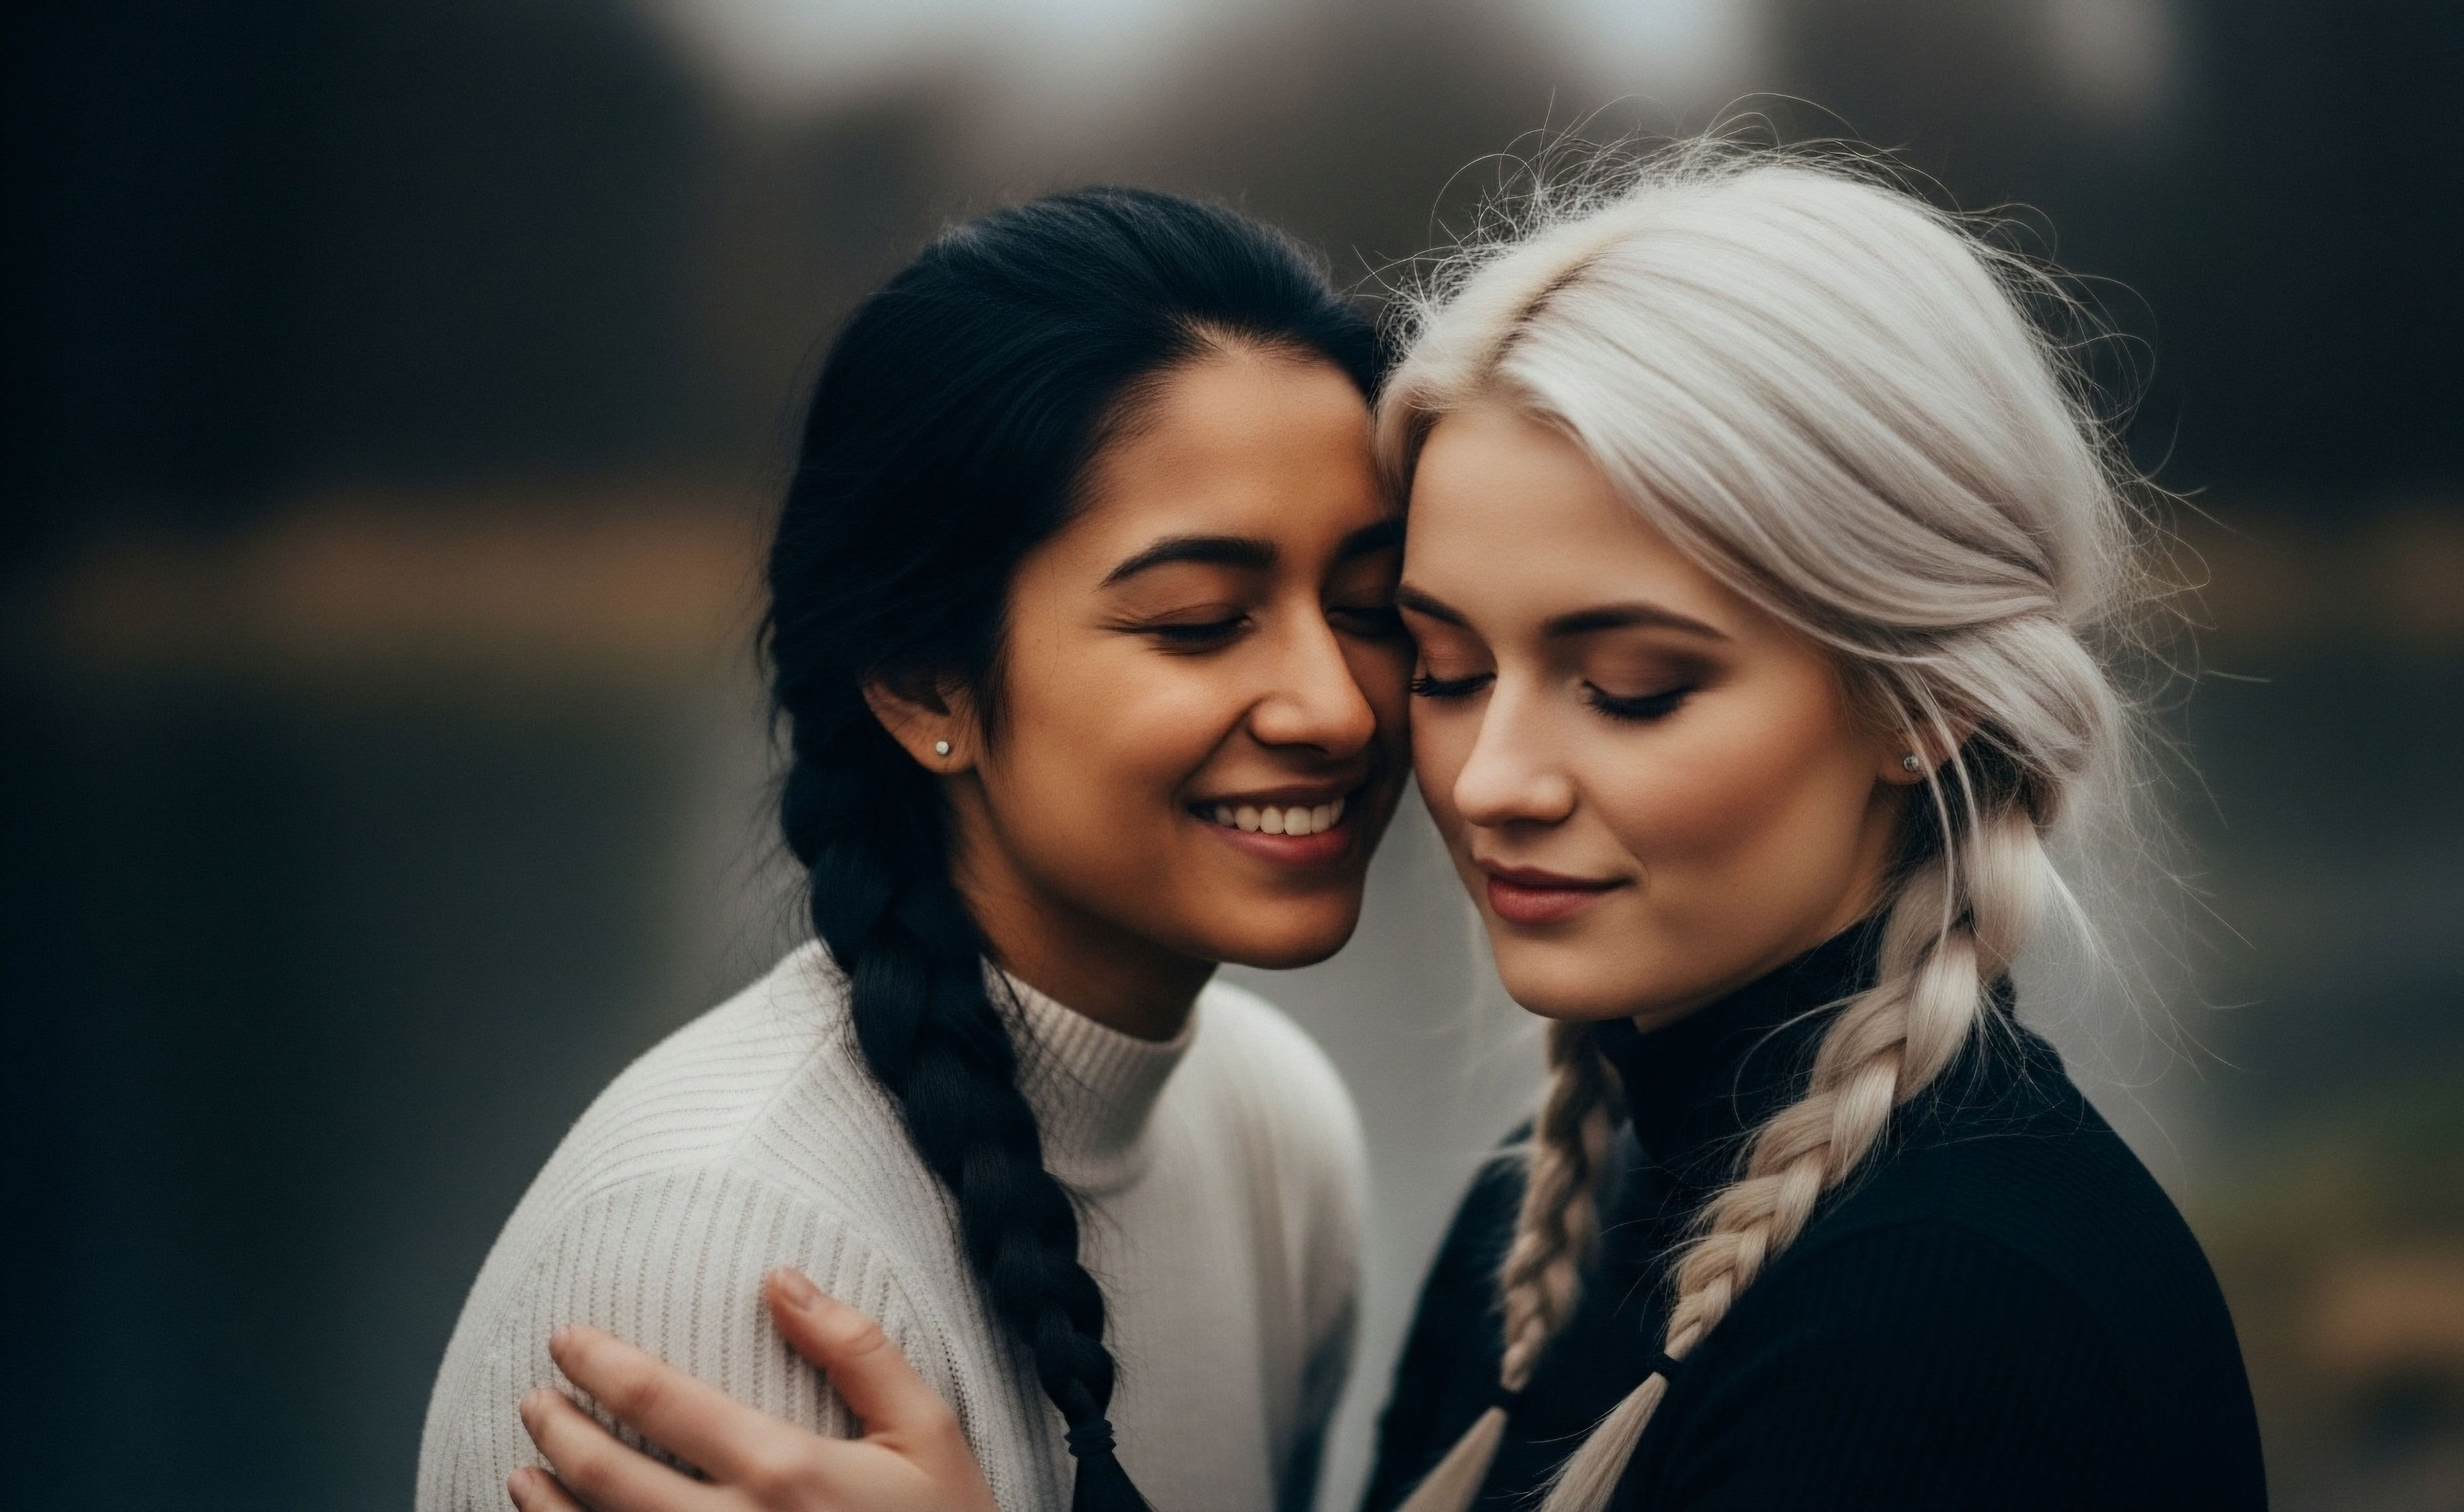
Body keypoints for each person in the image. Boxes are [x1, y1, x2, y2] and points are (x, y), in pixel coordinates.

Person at [503, 147, 2264, 1512]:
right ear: (919, 683)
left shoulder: (1955, 1325)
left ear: (1918, 700)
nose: (1478, 773)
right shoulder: (1534, 1244)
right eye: (1442, 660)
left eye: (1632, 685)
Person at [418, 186, 1410, 1512]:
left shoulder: (1274, 1139)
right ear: (926, 685)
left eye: (1367, 604)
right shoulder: (726, 1257)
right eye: (1198, 619)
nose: (1338, 706)